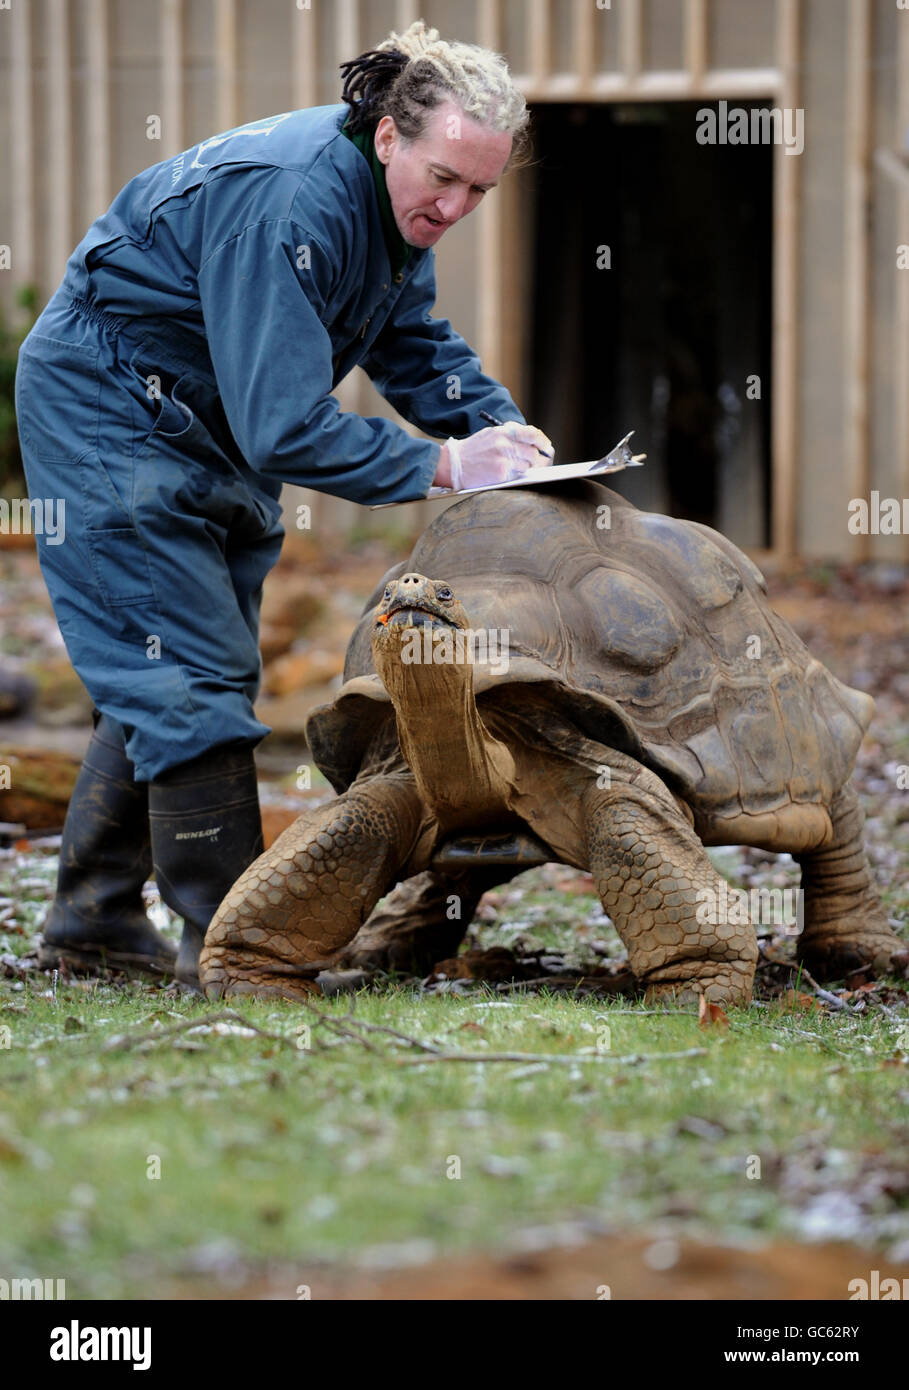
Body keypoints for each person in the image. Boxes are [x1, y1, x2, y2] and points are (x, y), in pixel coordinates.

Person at [14, 20, 552, 988]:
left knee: (170, 664)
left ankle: (93, 930)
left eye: (482, 187)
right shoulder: (290, 203)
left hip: (200, 410)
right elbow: (286, 429)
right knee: (191, 675)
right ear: (390, 134)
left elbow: (409, 339)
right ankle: (242, 950)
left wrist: (506, 441)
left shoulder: (386, 207)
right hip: (112, 405)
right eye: (444, 177)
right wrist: (443, 466)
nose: (458, 204)